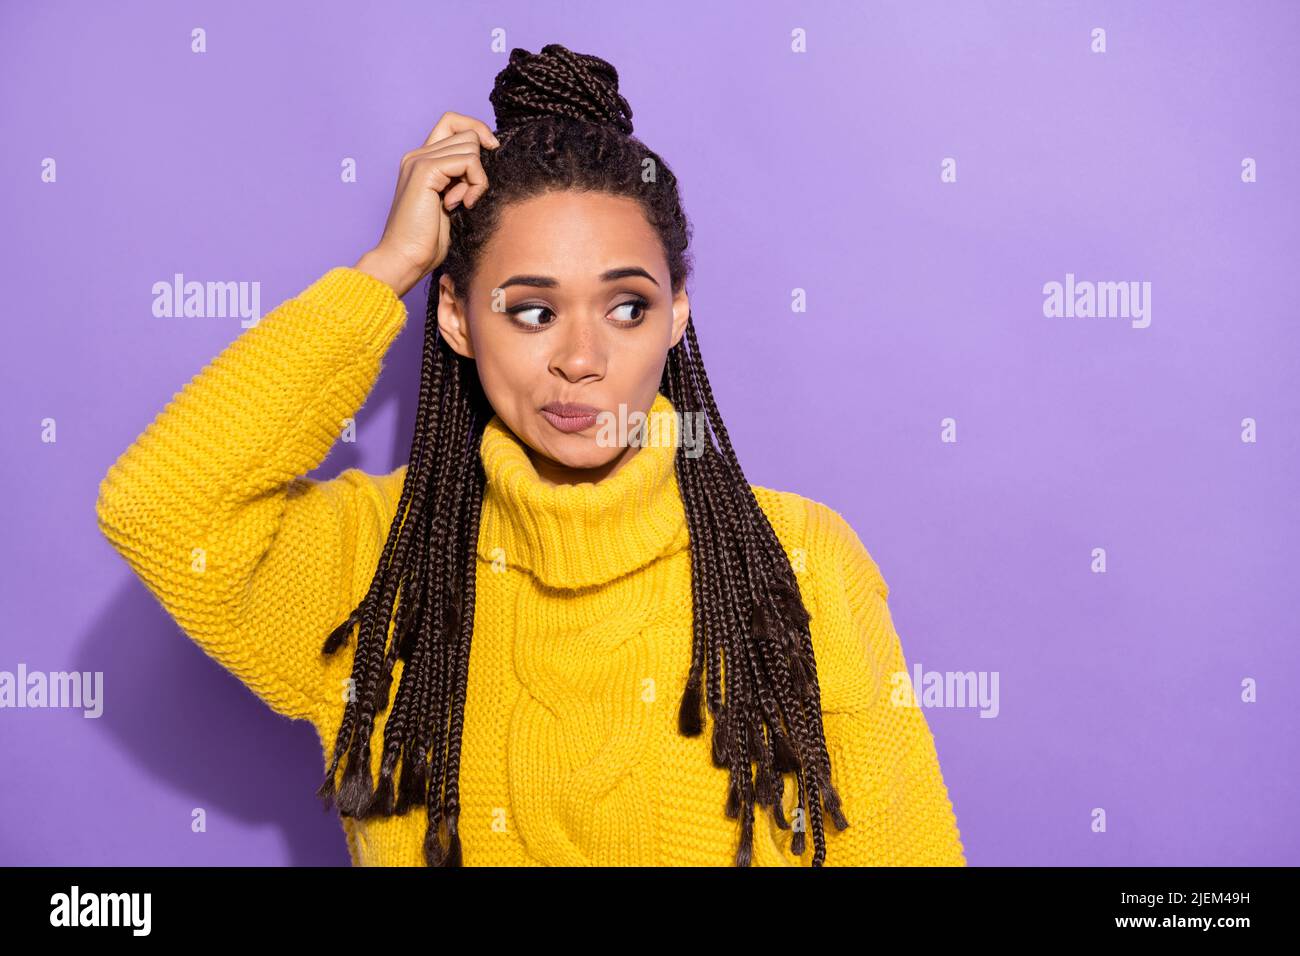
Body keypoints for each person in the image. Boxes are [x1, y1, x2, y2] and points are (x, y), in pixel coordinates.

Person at [96, 43, 966, 867]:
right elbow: (158, 508)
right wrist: (386, 268)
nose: (580, 359)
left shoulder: (800, 562)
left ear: (676, 315)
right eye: (532, 311)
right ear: (455, 317)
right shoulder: (377, 561)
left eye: (626, 307)